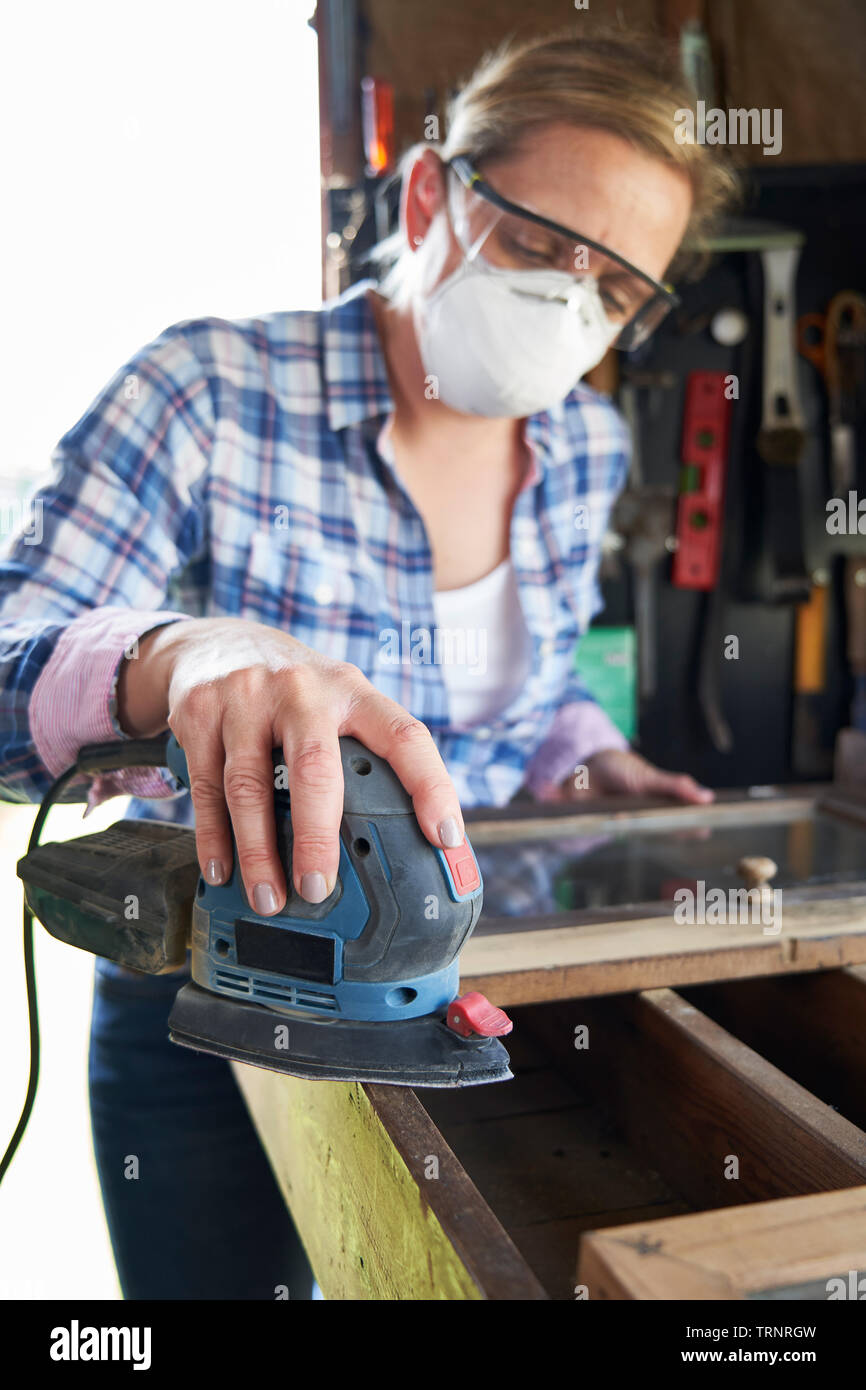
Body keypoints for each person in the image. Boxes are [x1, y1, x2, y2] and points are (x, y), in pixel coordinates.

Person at [0, 28, 736, 1298]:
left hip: (451, 980)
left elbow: (528, 684)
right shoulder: (202, 392)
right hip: (215, 1017)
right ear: (428, 196)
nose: (570, 300)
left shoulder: (590, 448)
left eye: (613, 288)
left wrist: (589, 758)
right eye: (536, 242)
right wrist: (181, 657)